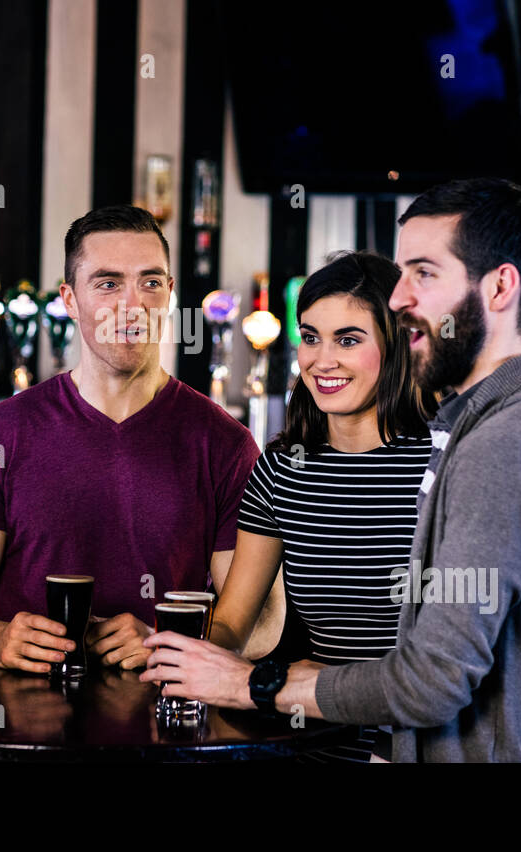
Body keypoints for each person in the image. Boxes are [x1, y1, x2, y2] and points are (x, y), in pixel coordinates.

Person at [144, 177, 521, 762]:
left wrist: (256, 684)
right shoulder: (478, 432)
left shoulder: (495, 442)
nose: (404, 297)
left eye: (424, 274)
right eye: (310, 338)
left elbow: (431, 682)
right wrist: (194, 660)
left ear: (501, 286)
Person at [0, 204, 261, 673]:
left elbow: (262, 620)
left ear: (168, 294)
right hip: (21, 728)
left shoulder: (225, 443)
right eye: (108, 284)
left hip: (167, 724)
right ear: (69, 300)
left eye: (150, 283)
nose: (132, 304)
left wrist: (170, 642)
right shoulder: (2, 431)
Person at [187, 251, 434, 763]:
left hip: (418, 742)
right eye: (311, 336)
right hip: (314, 739)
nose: (322, 360)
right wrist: (168, 642)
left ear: (395, 345)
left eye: (348, 339)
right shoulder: (282, 469)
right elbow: (232, 625)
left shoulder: (439, 467)